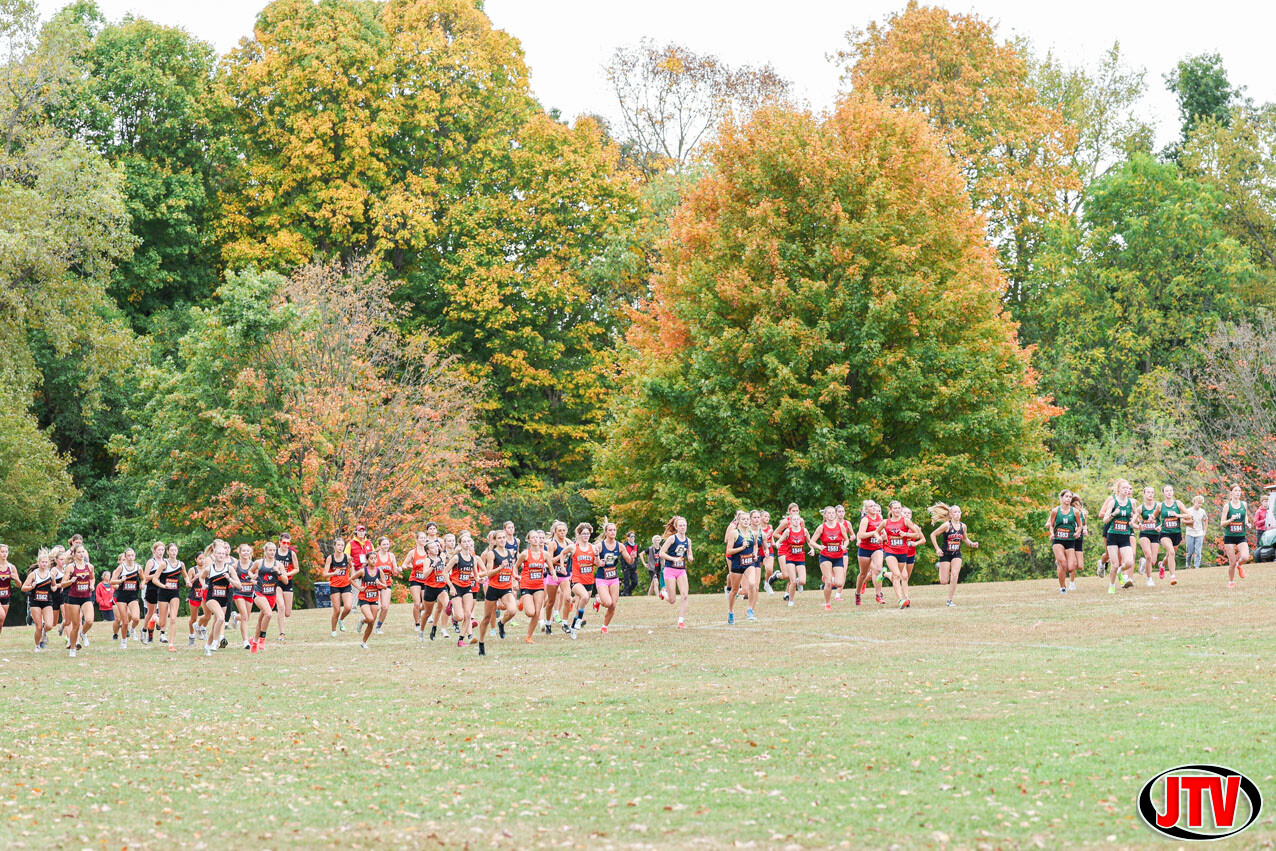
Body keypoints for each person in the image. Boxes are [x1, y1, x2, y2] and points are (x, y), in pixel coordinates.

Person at [929, 503, 977, 606]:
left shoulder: (963, 526)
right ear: (950, 514)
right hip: (945, 554)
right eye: (955, 512)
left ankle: (949, 600)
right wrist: (937, 549)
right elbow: (932, 535)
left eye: (959, 512)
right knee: (944, 581)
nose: (957, 514)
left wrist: (972, 544)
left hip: (956, 554)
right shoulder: (947, 525)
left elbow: (965, 539)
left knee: (955, 576)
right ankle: (939, 566)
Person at [478, 530, 517, 655]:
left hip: (506, 588)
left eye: (504, 537)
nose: (502, 540)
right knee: (486, 619)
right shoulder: (491, 554)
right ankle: (481, 644)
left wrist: (515, 578)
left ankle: (501, 623)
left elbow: (511, 568)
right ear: (494, 540)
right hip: (493, 588)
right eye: (499, 538)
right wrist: (500, 567)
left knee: (512, 611)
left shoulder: (510, 552)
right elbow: (489, 573)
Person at [879, 501, 920, 608]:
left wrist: (906, 534)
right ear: (890, 510)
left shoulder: (905, 521)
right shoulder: (885, 522)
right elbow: (876, 531)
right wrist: (879, 537)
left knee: (900, 576)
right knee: (897, 575)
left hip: (902, 552)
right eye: (895, 508)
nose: (897, 510)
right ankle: (901, 600)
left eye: (899, 508)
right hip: (890, 551)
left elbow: (917, 534)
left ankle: (885, 574)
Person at [1099, 479, 1137, 594]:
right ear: (1119, 489)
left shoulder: (1131, 502)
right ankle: (1111, 585)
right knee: (1114, 564)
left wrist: (1132, 521)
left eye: (1128, 488)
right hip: (1113, 535)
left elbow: (1135, 513)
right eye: (1124, 488)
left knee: (1129, 562)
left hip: (1125, 535)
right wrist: (1113, 514)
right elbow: (1105, 520)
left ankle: (1121, 571)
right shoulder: (1112, 502)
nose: (1126, 490)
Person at [657, 515, 693, 628]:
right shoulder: (672, 539)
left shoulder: (688, 540)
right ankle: (663, 593)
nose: (683, 527)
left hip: (681, 570)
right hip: (670, 570)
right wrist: (673, 559)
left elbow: (689, 553)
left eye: (684, 525)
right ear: (676, 527)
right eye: (681, 525)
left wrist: (691, 557)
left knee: (685, 595)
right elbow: (661, 553)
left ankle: (681, 621)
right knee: (672, 600)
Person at [724, 511, 759, 624]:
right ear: (738, 521)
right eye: (743, 519)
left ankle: (750, 611)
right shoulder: (734, 533)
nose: (746, 521)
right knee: (734, 590)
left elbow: (755, 545)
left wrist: (755, 553)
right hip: (737, 564)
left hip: (749, 563)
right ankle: (730, 612)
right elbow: (729, 550)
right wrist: (741, 548)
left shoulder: (753, 533)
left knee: (752, 583)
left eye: (747, 519)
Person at [60, 544, 96, 655]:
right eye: (79, 552)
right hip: (73, 598)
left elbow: (92, 578)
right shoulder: (71, 567)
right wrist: (70, 581)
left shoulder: (89, 566)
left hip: (86, 597)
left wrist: (92, 585)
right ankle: (72, 648)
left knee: (89, 620)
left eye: (83, 552)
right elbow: (62, 583)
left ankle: (83, 633)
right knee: (75, 625)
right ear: (74, 554)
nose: (81, 554)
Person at [445, 534, 480, 647]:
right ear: (460, 544)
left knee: (468, 614)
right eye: (464, 542)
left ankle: (461, 639)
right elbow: (445, 572)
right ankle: (451, 606)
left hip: (467, 587)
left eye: (469, 542)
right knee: (459, 617)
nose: (467, 544)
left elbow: (476, 576)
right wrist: (451, 586)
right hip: (456, 587)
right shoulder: (456, 558)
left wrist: (481, 579)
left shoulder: (473, 559)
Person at [248, 542, 283, 652]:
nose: (272, 552)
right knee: (268, 614)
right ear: (265, 551)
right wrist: (252, 576)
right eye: (270, 550)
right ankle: (262, 638)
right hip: (259, 592)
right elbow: (250, 570)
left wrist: (279, 572)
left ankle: (254, 642)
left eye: (274, 550)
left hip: (271, 595)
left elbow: (286, 580)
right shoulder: (259, 563)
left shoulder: (278, 564)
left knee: (261, 619)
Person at [772, 504, 807, 608]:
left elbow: (803, 535)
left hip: (796, 550)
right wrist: (786, 537)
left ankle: (788, 594)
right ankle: (777, 576)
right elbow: (775, 534)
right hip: (784, 548)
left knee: (794, 576)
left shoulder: (800, 521)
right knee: (786, 574)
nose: (795, 513)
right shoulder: (786, 522)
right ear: (789, 512)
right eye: (793, 511)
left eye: (797, 511)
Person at [813, 506, 847, 612]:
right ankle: (827, 603)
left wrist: (845, 545)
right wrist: (819, 547)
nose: (832, 515)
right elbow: (812, 541)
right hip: (825, 556)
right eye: (829, 513)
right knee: (828, 583)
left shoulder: (840, 526)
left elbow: (846, 539)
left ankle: (830, 578)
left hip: (838, 557)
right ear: (825, 515)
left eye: (833, 513)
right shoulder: (821, 527)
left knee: (839, 583)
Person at [152, 543, 185, 653]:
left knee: (174, 618)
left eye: (175, 550)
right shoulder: (163, 564)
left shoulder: (181, 564)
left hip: (174, 594)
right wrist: (163, 585)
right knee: (162, 622)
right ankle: (154, 618)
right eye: (172, 550)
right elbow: (154, 579)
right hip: (163, 593)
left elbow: (185, 576)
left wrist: (189, 581)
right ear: (168, 552)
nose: (174, 552)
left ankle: (171, 644)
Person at [23, 550, 57, 652]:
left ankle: (44, 632)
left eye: (46, 562)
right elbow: (23, 587)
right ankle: (37, 645)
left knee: (49, 625)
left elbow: (54, 587)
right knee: (38, 626)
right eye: (42, 562)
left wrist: (53, 587)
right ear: (38, 563)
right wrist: (31, 587)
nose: (44, 564)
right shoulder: (33, 574)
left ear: (49, 563)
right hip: (35, 602)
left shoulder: (51, 574)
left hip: (47, 602)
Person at [1047, 490, 1079, 594]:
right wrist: (1052, 534)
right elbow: (1051, 525)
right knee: (1063, 564)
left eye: (1070, 497)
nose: (1068, 499)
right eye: (1066, 496)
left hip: (1070, 540)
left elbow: (1080, 526)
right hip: (1058, 540)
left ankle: (1060, 562)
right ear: (1061, 498)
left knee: (1070, 568)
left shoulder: (1075, 512)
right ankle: (1062, 587)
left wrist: (1077, 532)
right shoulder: (1055, 511)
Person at [855, 501, 886, 606]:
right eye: (870, 506)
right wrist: (873, 533)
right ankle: (857, 594)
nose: (873, 508)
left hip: (877, 548)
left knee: (878, 569)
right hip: (865, 549)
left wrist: (884, 537)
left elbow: (884, 533)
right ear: (866, 509)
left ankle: (878, 594)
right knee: (863, 574)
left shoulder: (880, 518)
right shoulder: (865, 520)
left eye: (874, 506)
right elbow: (861, 535)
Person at [353, 547, 385, 651]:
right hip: (364, 598)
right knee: (370, 618)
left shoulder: (379, 572)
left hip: (374, 598)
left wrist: (379, 584)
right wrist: (358, 587)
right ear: (367, 560)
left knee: (371, 622)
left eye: (375, 558)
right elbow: (351, 579)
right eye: (371, 558)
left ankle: (364, 642)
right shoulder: (363, 571)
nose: (373, 560)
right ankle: (362, 620)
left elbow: (385, 586)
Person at [1221, 484, 1252, 587]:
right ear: (1231, 493)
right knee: (1232, 562)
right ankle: (1231, 582)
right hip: (1229, 536)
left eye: (1239, 491)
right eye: (1235, 491)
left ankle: (1240, 565)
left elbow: (1245, 516)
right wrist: (1231, 520)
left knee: (1245, 557)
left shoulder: (1244, 504)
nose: (1238, 493)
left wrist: (1247, 523)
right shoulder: (1227, 506)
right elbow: (1222, 523)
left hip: (1240, 536)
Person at [111, 548, 142, 649]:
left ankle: (133, 629)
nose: (130, 557)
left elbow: (144, 578)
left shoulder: (138, 568)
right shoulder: (121, 568)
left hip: (133, 596)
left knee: (136, 618)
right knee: (124, 622)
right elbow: (112, 581)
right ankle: (124, 641)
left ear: (135, 556)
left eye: (132, 555)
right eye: (128, 555)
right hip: (121, 597)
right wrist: (120, 581)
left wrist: (142, 584)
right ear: (125, 557)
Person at [1156, 485, 1187, 586]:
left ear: (1173, 492)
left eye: (1170, 490)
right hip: (1165, 533)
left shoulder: (1177, 503)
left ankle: (1162, 565)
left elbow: (1188, 515)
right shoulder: (1160, 505)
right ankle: (1173, 576)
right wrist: (1157, 525)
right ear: (1163, 493)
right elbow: (1153, 516)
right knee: (1171, 552)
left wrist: (1177, 515)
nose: (1169, 492)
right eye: (1166, 491)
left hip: (1176, 533)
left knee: (1170, 555)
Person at [323, 536, 354, 636]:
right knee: (337, 610)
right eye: (339, 545)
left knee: (348, 607)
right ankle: (333, 630)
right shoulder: (330, 558)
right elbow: (324, 574)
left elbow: (351, 566)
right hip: (334, 586)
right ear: (334, 546)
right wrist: (334, 573)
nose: (340, 547)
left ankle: (341, 620)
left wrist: (352, 576)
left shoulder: (347, 557)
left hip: (346, 585)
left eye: (342, 545)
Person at [404, 531, 432, 639]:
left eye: (425, 538)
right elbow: (404, 564)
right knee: (417, 603)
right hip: (415, 579)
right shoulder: (413, 552)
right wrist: (409, 566)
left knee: (425, 605)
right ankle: (417, 623)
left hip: (426, 580)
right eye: (421, 538)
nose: (423, 540)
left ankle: (420, 613)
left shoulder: (428, 552)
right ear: (416, 540)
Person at [422, 539, 451, 641]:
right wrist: (433, 564)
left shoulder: (442, 557)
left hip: (442, 587)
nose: (435, 549)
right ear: (428, 551)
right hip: (430, 588)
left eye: (436, 547)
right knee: (427, 613)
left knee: (447, 607)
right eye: (433, 548)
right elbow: (425, 575)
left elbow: (445, 553)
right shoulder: (427, 560)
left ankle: (443, 629)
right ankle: (422, 631)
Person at [274, 532, 299, 642]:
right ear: (279, 542)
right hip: (276, 582)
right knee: (281, 606)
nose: (286, 545)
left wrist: (286, 574)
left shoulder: (291, 554)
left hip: (288, 582)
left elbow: (296, 569)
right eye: (284, 542)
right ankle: (282, 633)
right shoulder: (274, 553)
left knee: (287, 613)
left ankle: (279, 611)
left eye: (288, 543)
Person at [370, 537, 398, 635]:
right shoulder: (375, 556)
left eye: (387, 544)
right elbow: (370, 570)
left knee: (385, 607)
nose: (386, 546)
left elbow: (395, 571)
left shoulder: (391, 556)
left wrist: (400, 569)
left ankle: (378, 627)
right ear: (379, 546)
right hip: (375, 584)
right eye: (384, 544)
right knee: (377, 607)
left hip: (386, 584)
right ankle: (366, 620)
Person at [141, 541, 166, 645]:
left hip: (163, 588)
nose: (161, 552)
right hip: (152, 588)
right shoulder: (151, 562)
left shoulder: (165, 562)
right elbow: (145, 577)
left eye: (162, 550)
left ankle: (162, 634)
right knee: (151, 613)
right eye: (159, 550)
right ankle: (143, 630)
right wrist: (157, 574)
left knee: (164, 612)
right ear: (154, 551)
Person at [1136, 486, 1161, 587]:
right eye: (1148, 492)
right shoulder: (1141, 507)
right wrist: (1139, 523)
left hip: (1155, 534)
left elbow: (1165, 519)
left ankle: (1143, 562)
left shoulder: (1158, 506)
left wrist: (1160, 526)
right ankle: (1149, 579)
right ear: (1144, 494)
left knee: (1153, 561)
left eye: (1152, 492)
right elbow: (1134, 516)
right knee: (1148, 555)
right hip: (1145, 534)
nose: (1150, 494)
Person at [186, 550, 207, 647]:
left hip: (205, 595)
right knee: (193, 618)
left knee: (208, 615)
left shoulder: (208, 569)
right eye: (200, 559)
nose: (202, 561)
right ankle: (191, 636)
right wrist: (195, 578)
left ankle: (203, 628)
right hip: (194, 595)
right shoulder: (192, 570)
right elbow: (188, 584)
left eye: (203, 558)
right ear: (196, 560)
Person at [1184, 495, 1208, 569]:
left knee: (1198, 551)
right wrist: (1189, 522)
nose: (1199, 505)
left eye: (1201, 503)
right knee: (1190, 552)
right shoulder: (1188, 510)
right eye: (1198, 503)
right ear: (1194, 502)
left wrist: (1204, 532)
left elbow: (1205, 520)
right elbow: (1183, 520)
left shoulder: (1202, 511)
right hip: (1190, 533)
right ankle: (1187, 565)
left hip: (1199, 533)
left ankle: (1196, 566)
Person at [94, 569, 117, 641]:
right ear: (104, 577)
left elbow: (116, 594)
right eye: (107, 576)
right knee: (105, 621)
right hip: (103, 607)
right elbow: (98, 596)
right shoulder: (99, 585)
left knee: (113, 620)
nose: (109, 577)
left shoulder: (112, 584)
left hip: (112, 606)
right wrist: (102, 603)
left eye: (110, 576)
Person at [0, 543, 16, 641]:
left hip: (6, 596)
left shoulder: (11, 567)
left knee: (1, 622)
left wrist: (15, 579)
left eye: (6, 552)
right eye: (2, 552)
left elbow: (19, 585)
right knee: (1, 616)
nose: (4, 554)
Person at [620, 530, 639, 597]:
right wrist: (624, 567)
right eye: (631, 537)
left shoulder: (636, 545)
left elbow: (637, 557)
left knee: (635, 581)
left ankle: (628, 591)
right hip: (627, 566)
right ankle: (626, 594)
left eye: (633, 536)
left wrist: (636, 566)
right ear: (628, 538)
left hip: (633, 567)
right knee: (626, 581)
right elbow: (622, 558)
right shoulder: (625, 546)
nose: (632, 538)